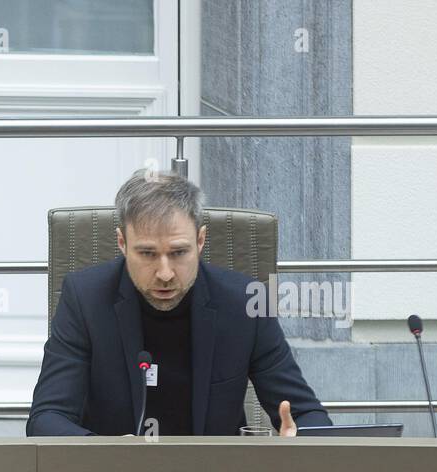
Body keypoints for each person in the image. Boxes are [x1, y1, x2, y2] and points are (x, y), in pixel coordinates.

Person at [26, 170, 331, 437]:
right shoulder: (85, 298)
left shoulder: (245, 302)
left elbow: (308, 416)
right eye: (147, 254)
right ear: (122, 243)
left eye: (178, 253)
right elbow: (46, 419)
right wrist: (107, 450)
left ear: (200, 241)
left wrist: (299, 443)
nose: (165, 273)